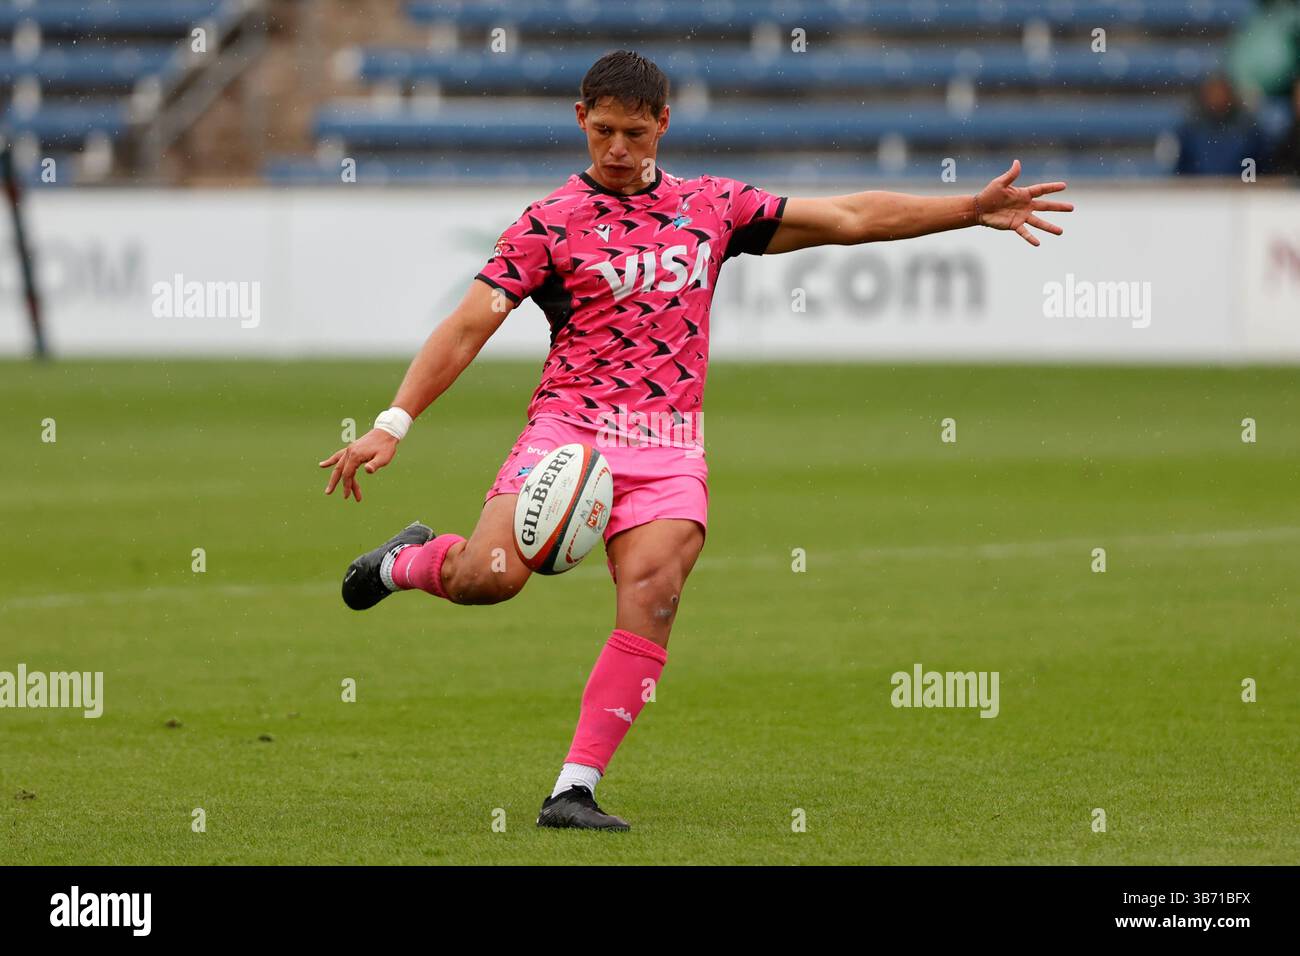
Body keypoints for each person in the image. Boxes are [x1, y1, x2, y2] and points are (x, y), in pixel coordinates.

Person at [318, 50, 1072, 831]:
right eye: (603, 130)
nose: (617, 149)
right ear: (580, 120)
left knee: (655, 593)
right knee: (491, 577)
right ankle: (404, 561)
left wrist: (967, 209)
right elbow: (471, 323)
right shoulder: (546, 224)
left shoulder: (712, 206)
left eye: (635, 133)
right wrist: (393, 421)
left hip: (669, 443)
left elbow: (846, 219)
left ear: (663, 125)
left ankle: (572, 789)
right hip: (571, 430)